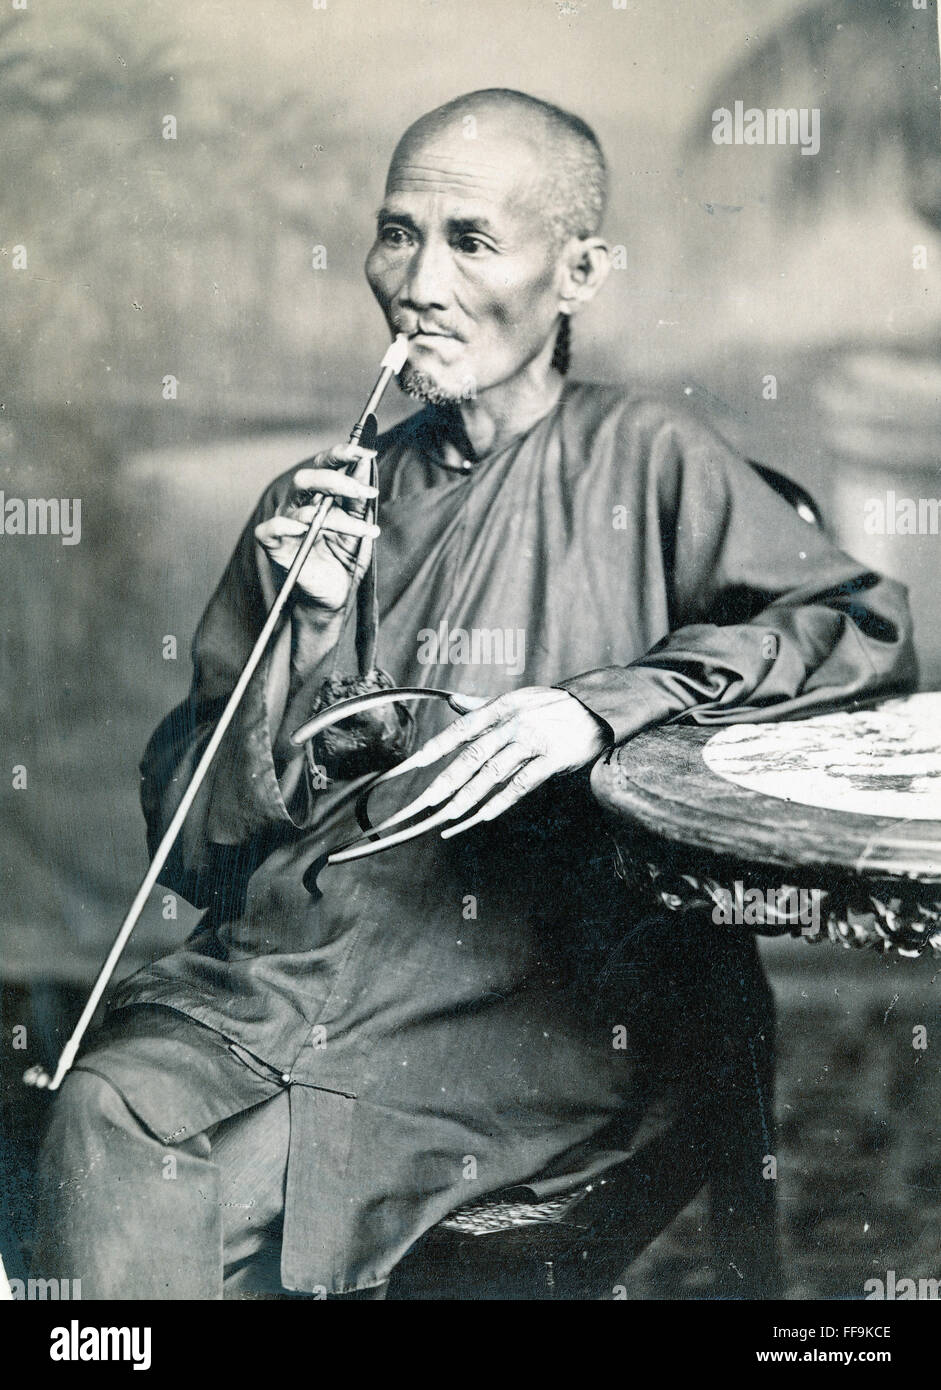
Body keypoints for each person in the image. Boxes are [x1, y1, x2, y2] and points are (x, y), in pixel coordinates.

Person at [31, 88, 916, 1300]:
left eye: (471, 241)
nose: (417, 282)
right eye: (396, 234)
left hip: (534, 989)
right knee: (105, 1117)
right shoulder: (319, 502)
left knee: (144, 1174)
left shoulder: (645, 457)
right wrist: (300, 628)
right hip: (293, 965)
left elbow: (856, 626)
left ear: (579, 271)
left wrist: (599, 706)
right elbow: (198, 850)